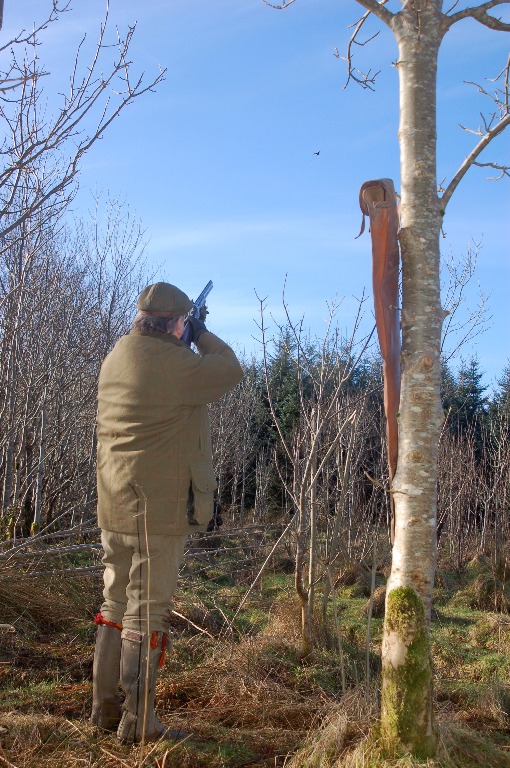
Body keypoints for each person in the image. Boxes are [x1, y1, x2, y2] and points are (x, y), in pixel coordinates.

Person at [90, 281, 243, 743]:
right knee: (147, 613)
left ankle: (104, 709)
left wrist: (184, 331)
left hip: (114, 505)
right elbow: (230, 369)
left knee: (115, 603)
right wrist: (199, 332)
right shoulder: (178, 364)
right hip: (154, 513)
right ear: (176, 324)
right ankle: (139, 723)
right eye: (183, 323)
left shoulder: (117, 356)